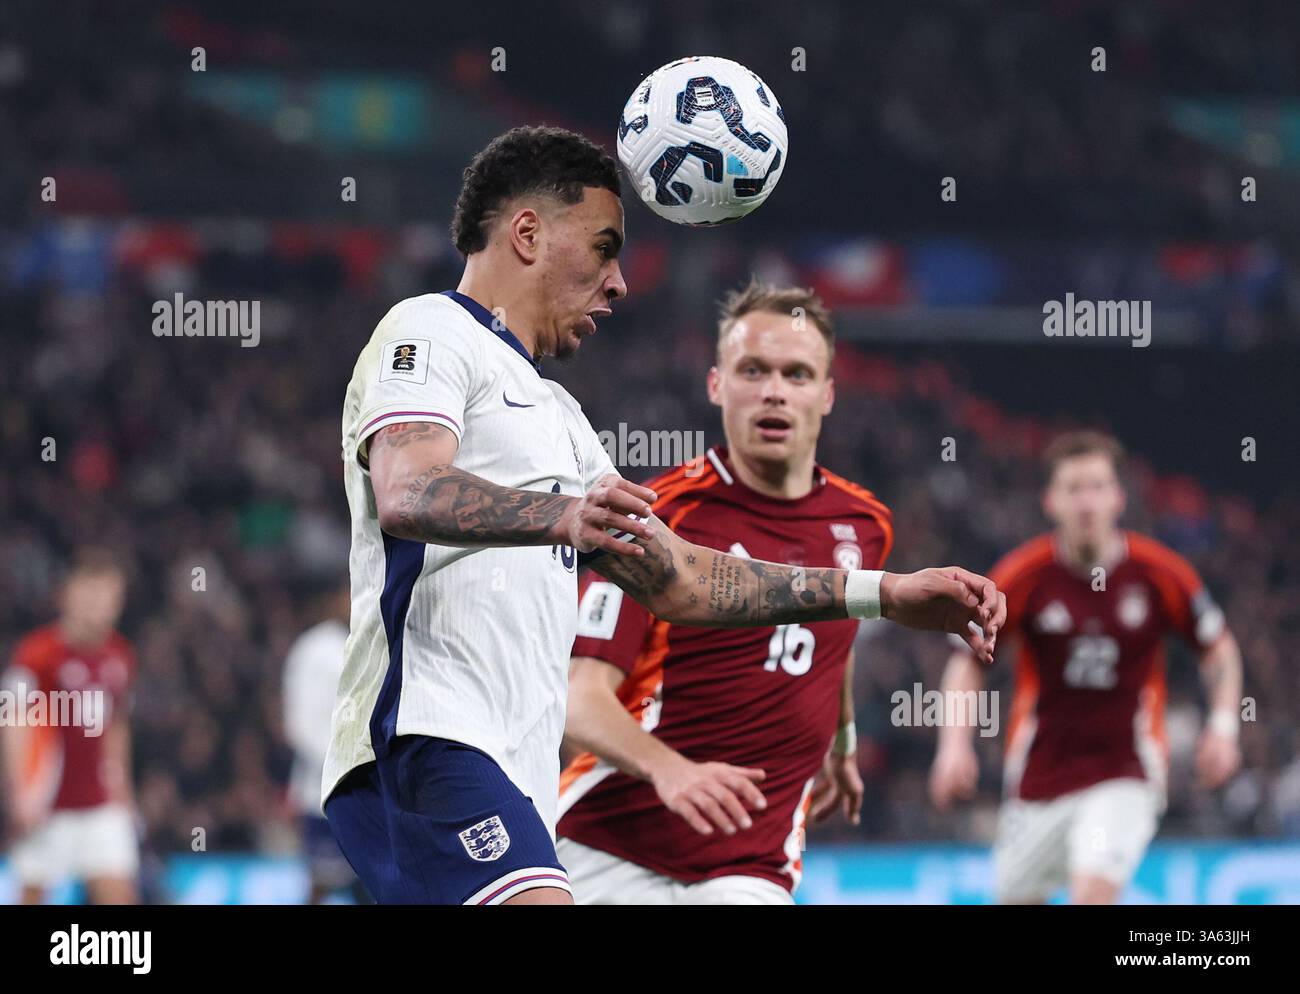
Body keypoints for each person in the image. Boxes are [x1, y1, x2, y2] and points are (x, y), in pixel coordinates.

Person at [323, 124, 1006, 905]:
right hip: (423, 738)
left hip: (517, 767)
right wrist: (563, 516)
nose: (618, 283)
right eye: (604, 248)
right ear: (526, 233)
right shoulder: (428, 330)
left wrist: (883, 594)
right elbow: (408, 491)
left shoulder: (562, 418)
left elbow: (679, 579)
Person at [557, 280, 890, 904]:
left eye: (796, 374)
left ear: (826, 394)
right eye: (752, 370)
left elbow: (832, 642)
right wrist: (670, 770)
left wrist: (842, 746)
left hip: (752, 861)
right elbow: (579, 701)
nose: (773, 391)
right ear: (716, 384)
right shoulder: (656, 520)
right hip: (609, 840)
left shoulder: (866, 526)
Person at [928, 431, 1243, 904]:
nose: (1086, 501)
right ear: (1050, 501)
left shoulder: (1159, 574)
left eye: (1097, 486)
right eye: (1073, 489)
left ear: (1118, 497)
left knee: (1092, 895)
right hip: (1039, 774)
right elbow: (966, 664)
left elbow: (1218, 649)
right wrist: (953, 746)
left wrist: (1223, 727)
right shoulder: (1023, 576)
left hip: (1127, 768)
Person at [1, 549, 138, 904]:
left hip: (99, 805)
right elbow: (14, 720)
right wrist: (20, 795)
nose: (97, 606)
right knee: (31, 895)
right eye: (89, 594)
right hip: (47, 805)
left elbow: (117, 725)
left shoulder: (119, 656)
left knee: (118, 898)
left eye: (107, 597)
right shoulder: (36, 654)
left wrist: (122, 789)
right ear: (67, 596)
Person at [282, 581, 363, 903]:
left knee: (366, 875)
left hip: (360, 784)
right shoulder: (316, 648)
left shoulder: (358, 642)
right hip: (322, 788)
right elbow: (299, 722)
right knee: (324, 877)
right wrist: (338, 762)